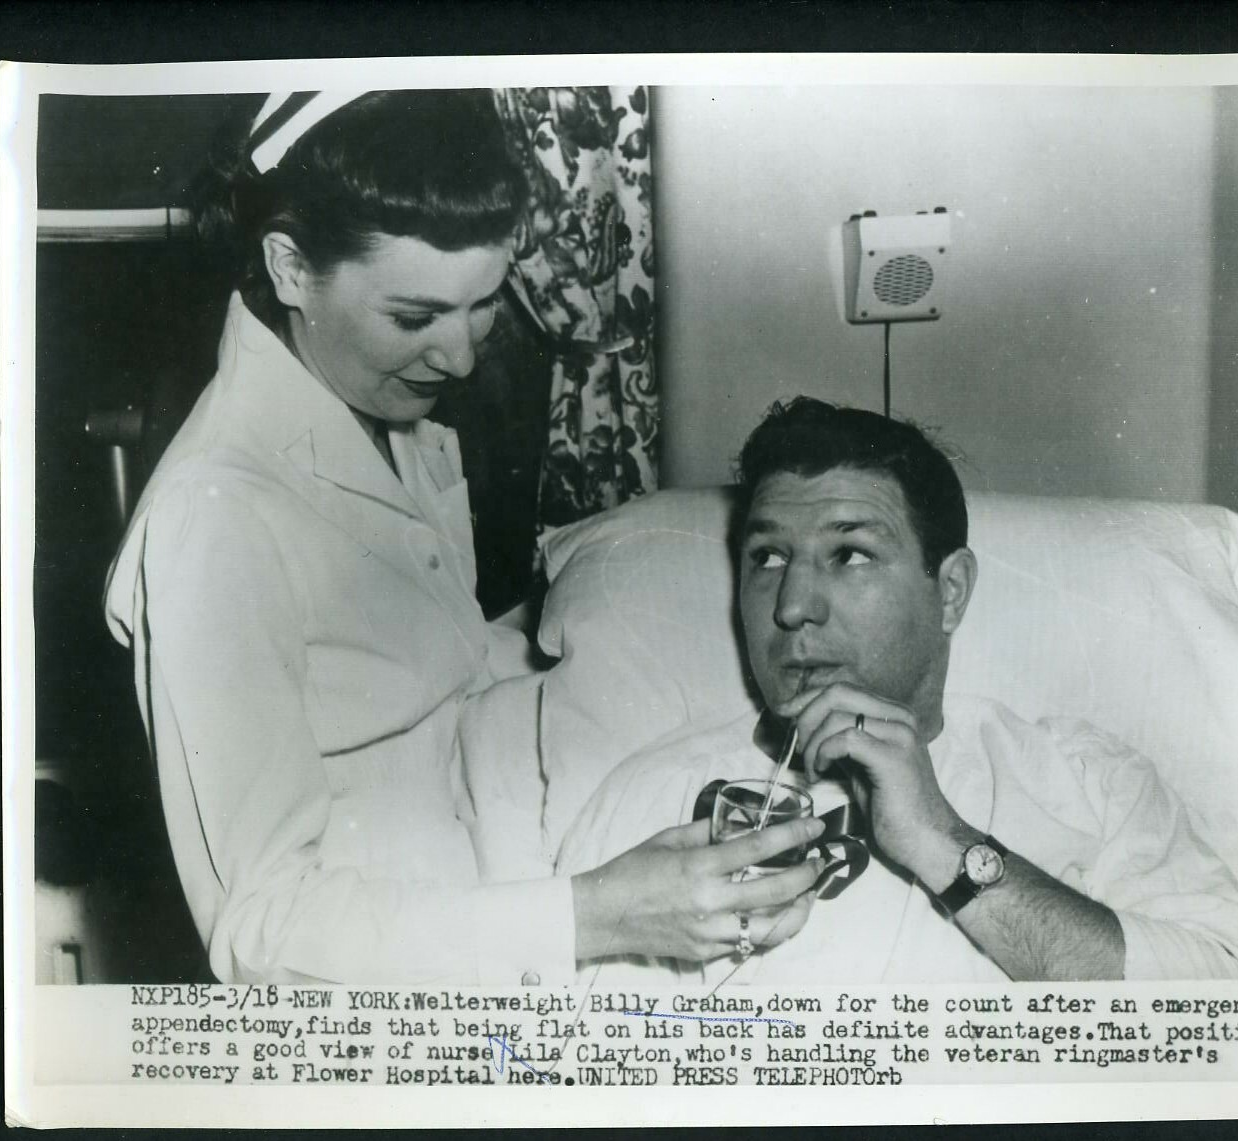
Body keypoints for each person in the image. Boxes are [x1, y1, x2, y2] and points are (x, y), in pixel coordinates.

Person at [103, 90, 822, 985]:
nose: (462, 357)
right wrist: (597, 913)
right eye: (414, 318)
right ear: (288, 268)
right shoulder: (215, 520)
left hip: (502, 899)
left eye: (483, 304)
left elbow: (418, 667)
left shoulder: (381, 413)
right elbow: (264, 931)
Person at [557, 398, 1238, 983]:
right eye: (768, 556)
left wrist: (947, 844)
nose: (791, 605)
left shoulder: (1084, 781)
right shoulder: (647, 798)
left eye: (850, 554)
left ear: (951, 592)